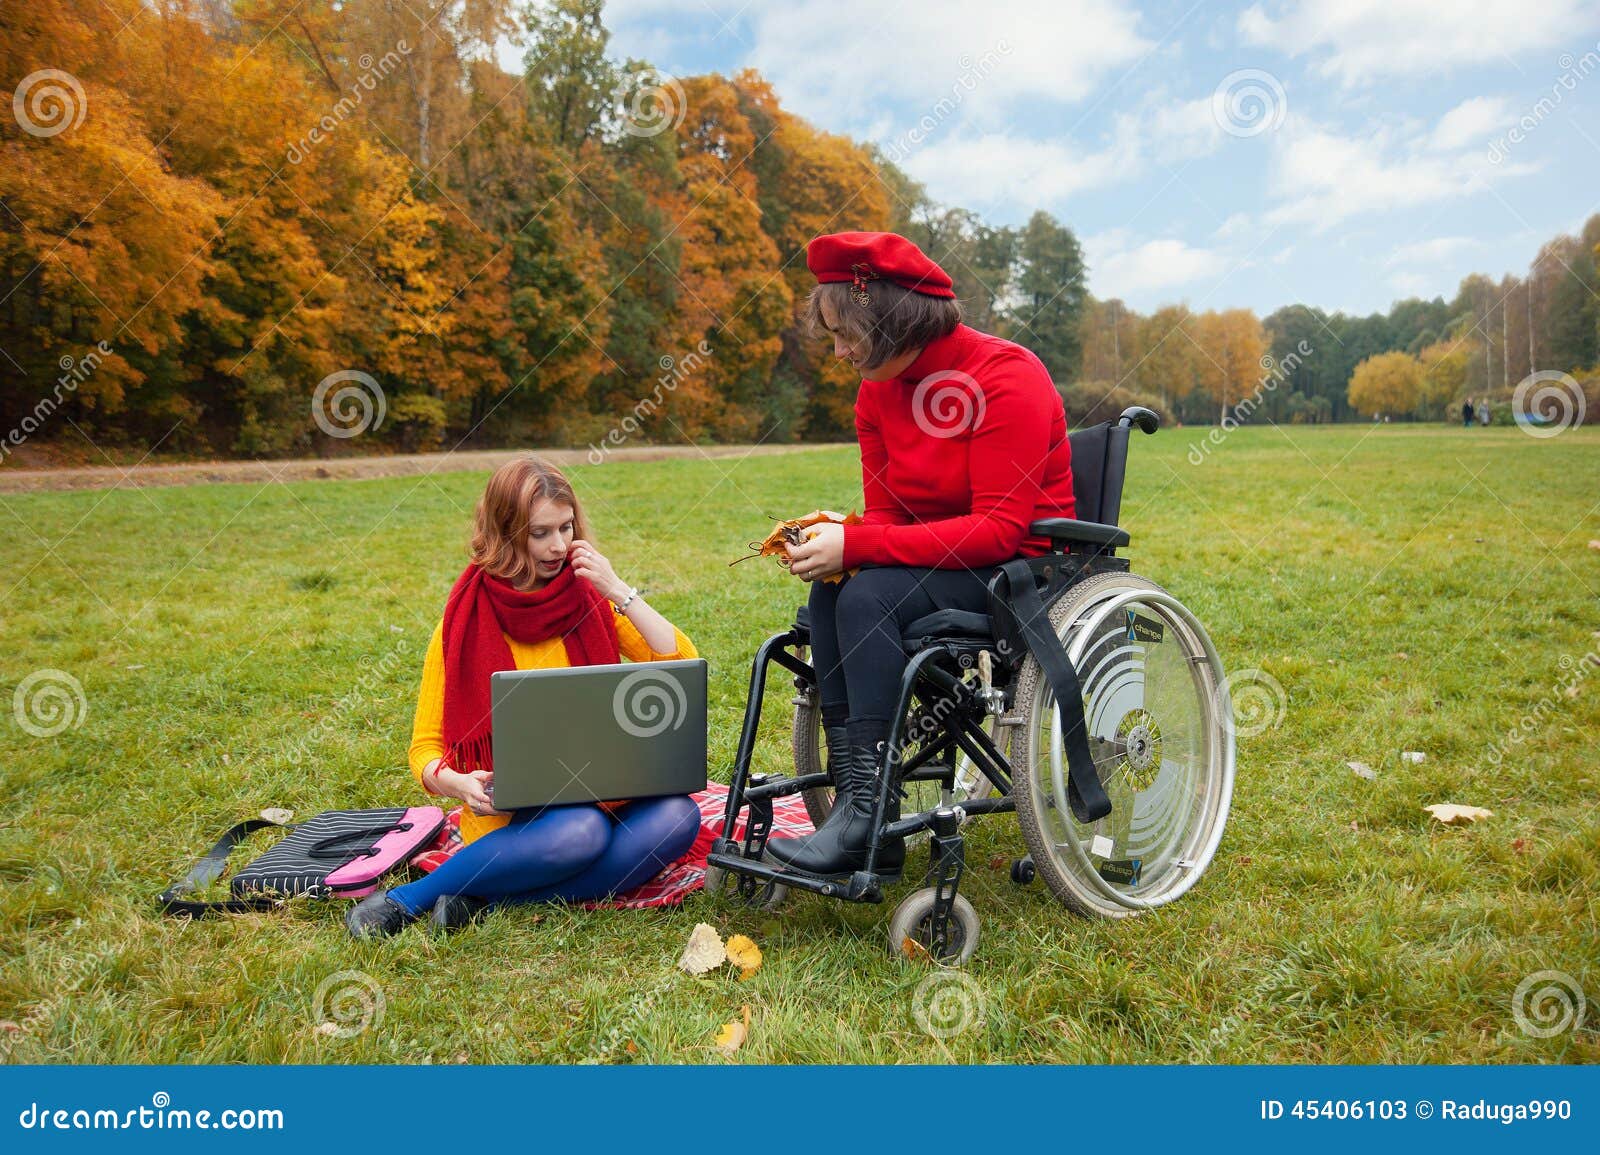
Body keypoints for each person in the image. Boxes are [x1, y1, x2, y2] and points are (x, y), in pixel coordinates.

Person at [771, 231, 1076, 877]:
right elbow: (886, 520)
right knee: (833, 587)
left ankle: (865, 812)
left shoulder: (1006, 375)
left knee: (866, 591)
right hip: (939, 561)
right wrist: (844, 539)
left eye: (846, 333)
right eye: (831, 335)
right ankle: (865, 816)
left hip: (1019, 571)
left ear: (894, 318)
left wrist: (859, 542)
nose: (838, 351)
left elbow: (996, 530)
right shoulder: (875, 392)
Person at [346, 456, 701, 938]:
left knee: (680, 816)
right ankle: (404, 902)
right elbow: (424, 748)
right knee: (581, 832)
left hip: (605, 794)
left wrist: (616, 588)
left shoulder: (592, 599)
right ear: (506, 534)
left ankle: (485, 901)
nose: (559, 546)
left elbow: (677, 661)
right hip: (516, 819)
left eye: (567, 528)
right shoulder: (462, 623)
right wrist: (457, 784)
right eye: (540, 533)